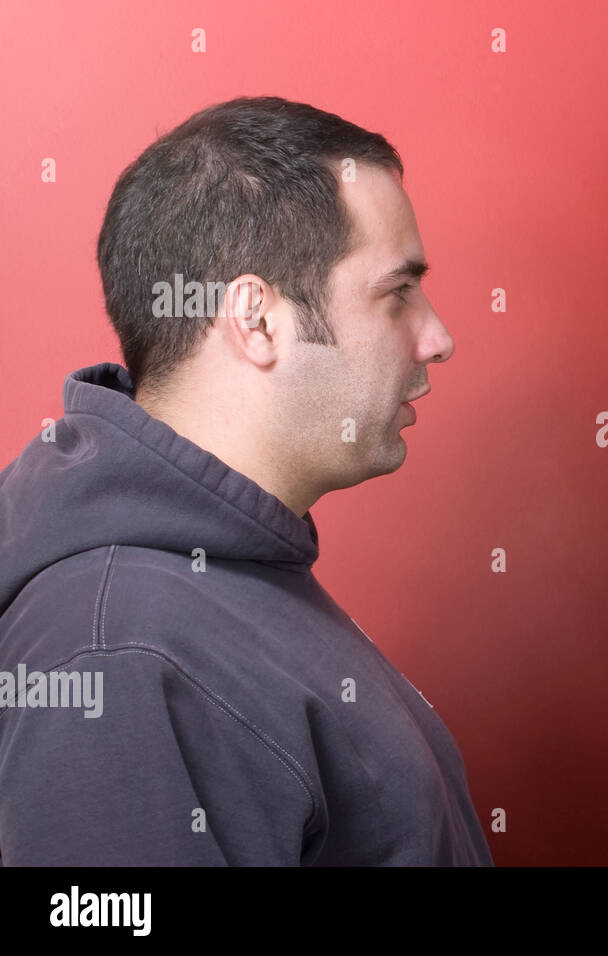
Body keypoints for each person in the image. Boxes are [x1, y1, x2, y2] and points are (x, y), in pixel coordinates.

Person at [0, 96, 492, 865]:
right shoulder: (121, 655)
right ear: (256, 319)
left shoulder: (231, 580)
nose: (438, 337)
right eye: (397, 292)